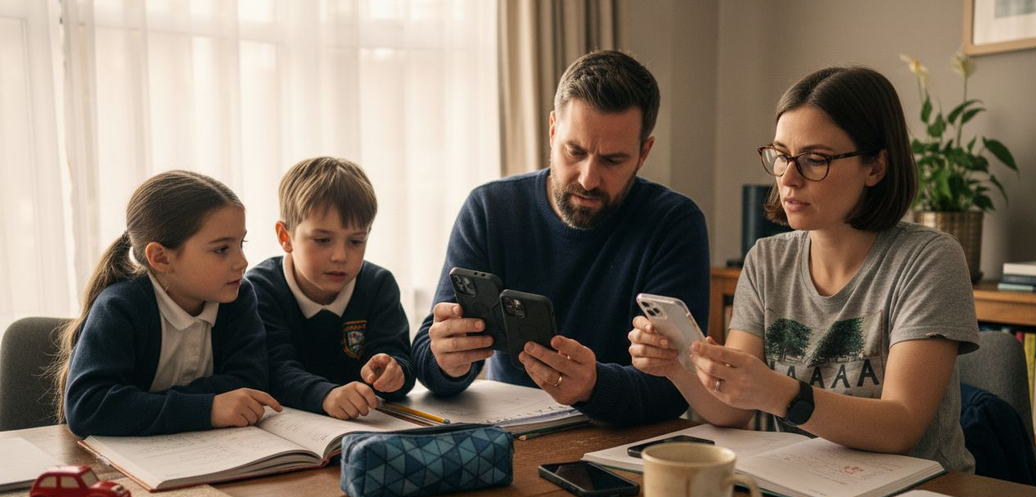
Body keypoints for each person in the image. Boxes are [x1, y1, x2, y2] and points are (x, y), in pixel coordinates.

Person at [629, 66, 979, 472]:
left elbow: (901, 427)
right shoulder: (766, 260)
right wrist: (677, 367)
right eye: (781, 156)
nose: (788, 178)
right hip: (805, 487)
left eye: (814, 160)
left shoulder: (929, 259)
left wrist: (782, 394)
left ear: (876, 167)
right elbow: (732, 410)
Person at [412, 50, 709, 425]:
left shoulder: (673, 224)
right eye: (575, 151)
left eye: (613, 160)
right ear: (553, 130)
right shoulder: (489, 209)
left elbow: (676, 389)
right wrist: (447, 362)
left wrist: (593, 387)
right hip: (511, 438)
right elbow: (427, 352)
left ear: (643, 153)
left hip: (626, 443)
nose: (588, 178)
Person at [58, 171, 281, 437]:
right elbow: (88, 407)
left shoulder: (238, 298)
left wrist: (141, 402)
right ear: (161, 258)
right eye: (222, 249)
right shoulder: (121, 307)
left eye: (241, 243)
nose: (243, 262)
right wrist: (208, 408)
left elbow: (250, 382)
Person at [247, 157, 414, 419]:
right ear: (285, 237)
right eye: (323, 239)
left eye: (356, 241)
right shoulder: (260, 289)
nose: (340, 256)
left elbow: (399, 357)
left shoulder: (378, 285)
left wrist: (394, 373)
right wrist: (325, 395)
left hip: (361, 428)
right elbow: (273, 369)